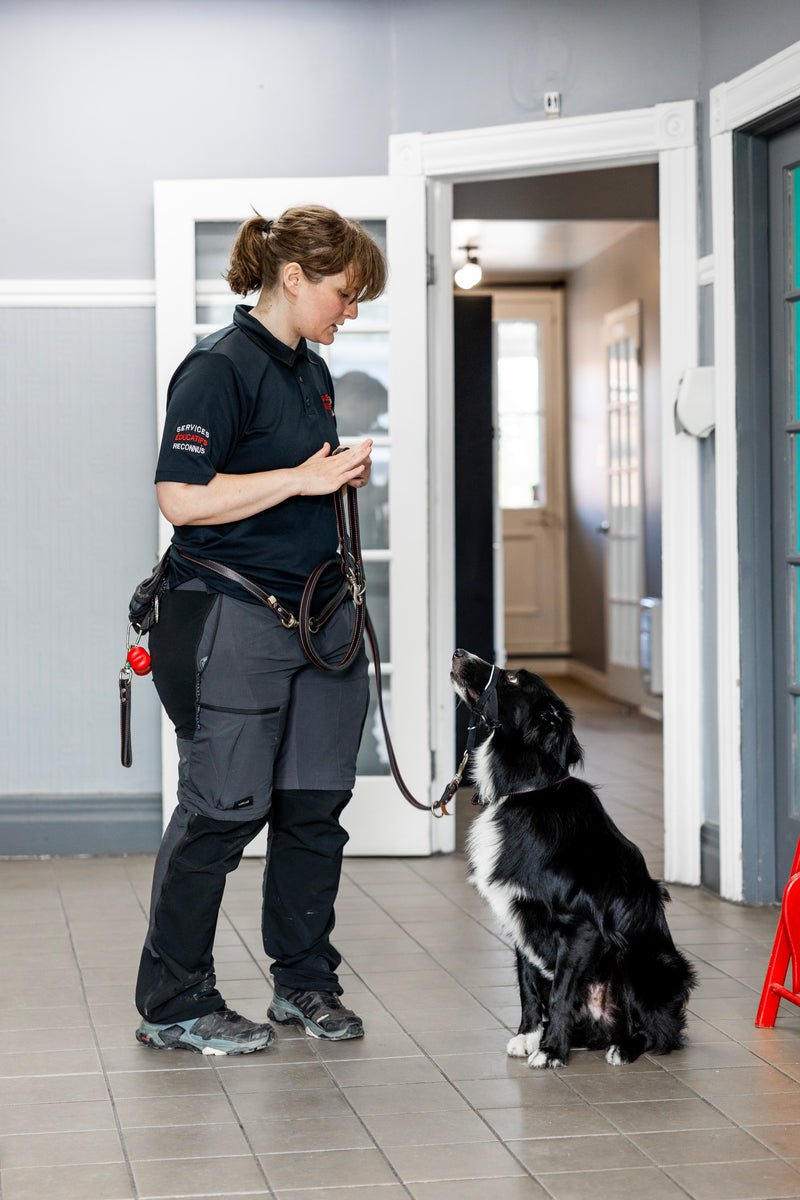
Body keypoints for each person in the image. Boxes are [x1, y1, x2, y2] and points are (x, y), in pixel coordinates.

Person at [134, 205, 387, 1054]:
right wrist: (299, 481)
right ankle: (174, 1003)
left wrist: (330, 479)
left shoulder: (310, 372)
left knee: (315, 808)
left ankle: (304, 984)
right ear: (293, 277)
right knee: (221, 812)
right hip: (231, 618)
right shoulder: (216, 368)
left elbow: (295, 485)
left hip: (321, 619)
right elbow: (180, 499)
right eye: (344, 295)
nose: (350, 312)